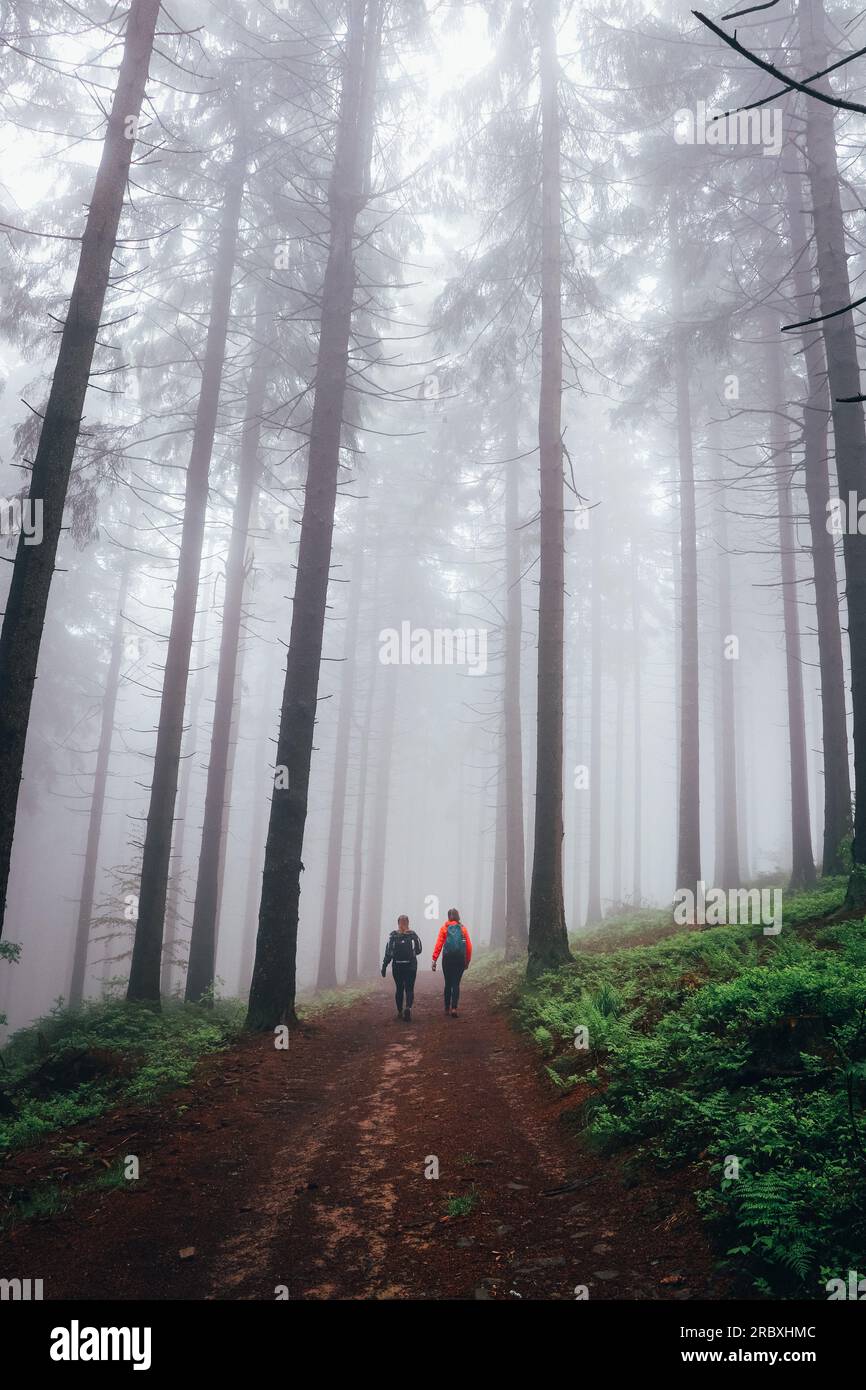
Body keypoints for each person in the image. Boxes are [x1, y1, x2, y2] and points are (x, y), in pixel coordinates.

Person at [381, 914, 423, 1021]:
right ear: (408, 923)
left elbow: (389, 952)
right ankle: (408, 1007)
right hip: (411, 966)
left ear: (398, 923)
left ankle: (400, 1011)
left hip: (397, 966)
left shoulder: (393, 936)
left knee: (399, 988)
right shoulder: (413, 935)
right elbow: (419, 950)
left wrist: (384, 966)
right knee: (409, 988)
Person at [431, 908, 472, 1016]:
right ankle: (454, 1008)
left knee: (448, 983)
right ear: (458, 916)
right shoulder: (463, 929)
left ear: (448, 917)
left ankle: (446, 1008)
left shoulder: (444, 928)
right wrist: (467, 961)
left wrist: (434, 959)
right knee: (456, 984)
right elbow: (469, 947)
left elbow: (439, 944)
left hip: (447, 958)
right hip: (459, 959)